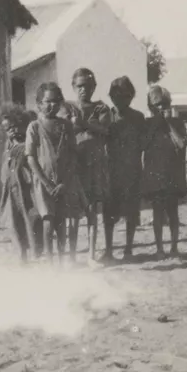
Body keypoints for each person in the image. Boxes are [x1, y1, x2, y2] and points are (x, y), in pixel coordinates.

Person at [26, 83, 87, 264]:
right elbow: (31, 159)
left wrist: (64, 182)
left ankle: (62, 259)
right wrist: (45, 182)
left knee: (61, 220)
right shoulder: (34, 127)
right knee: (48, 220)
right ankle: (50, 261)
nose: (51, 105)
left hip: (63, 183)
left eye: (55, 101)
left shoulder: (66, 126)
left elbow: (73, 156)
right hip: (43, 183)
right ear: (38, 104)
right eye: (47, 101)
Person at [62, 68, 112, 263]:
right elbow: (65, 129)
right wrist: (82, 125)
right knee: (73, 214)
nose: (84, 90)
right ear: (74, 87)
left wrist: (83, 123)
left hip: (94, 166)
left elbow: (105, 130)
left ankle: (91, 255)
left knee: (92, 210)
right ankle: (73, 257)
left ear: (94, 87)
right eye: (80, 86)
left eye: (88, 86)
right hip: (74, 166)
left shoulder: (101, 108)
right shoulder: (67, 108)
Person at [142, 86, 187, 259]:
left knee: (173, 211)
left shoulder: (177, 123)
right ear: (150, 106)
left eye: (164, 104)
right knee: (157, 212)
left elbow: (182, 144)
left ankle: (174, 247)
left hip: (172, 173)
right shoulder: (147, 124)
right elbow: (143, 145)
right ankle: (159, 248)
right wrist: (156, 124)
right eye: (157, 105)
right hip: (155, 174)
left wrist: (169, 124)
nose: (161, 108)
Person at [105, 76, 145, 261]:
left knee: (131, 212)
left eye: (125, 96)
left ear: (131, 97)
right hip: (111, 171)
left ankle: (128, 248)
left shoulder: (138, 118)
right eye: (116, 95)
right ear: (111, 96)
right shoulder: (106, 116)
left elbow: (143, 143)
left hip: (132, 171)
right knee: (109, 212)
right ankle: (108, 249)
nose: (121, 99)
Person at [0, 103, 40, 262]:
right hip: (11, 191)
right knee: (13, 223)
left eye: (15, 126)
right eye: (8, 129)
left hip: (26, 190)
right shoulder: (7, 146)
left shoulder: (26, 144)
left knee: (31, 221)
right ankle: (20, 254)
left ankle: (35, 252)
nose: (12, 131)